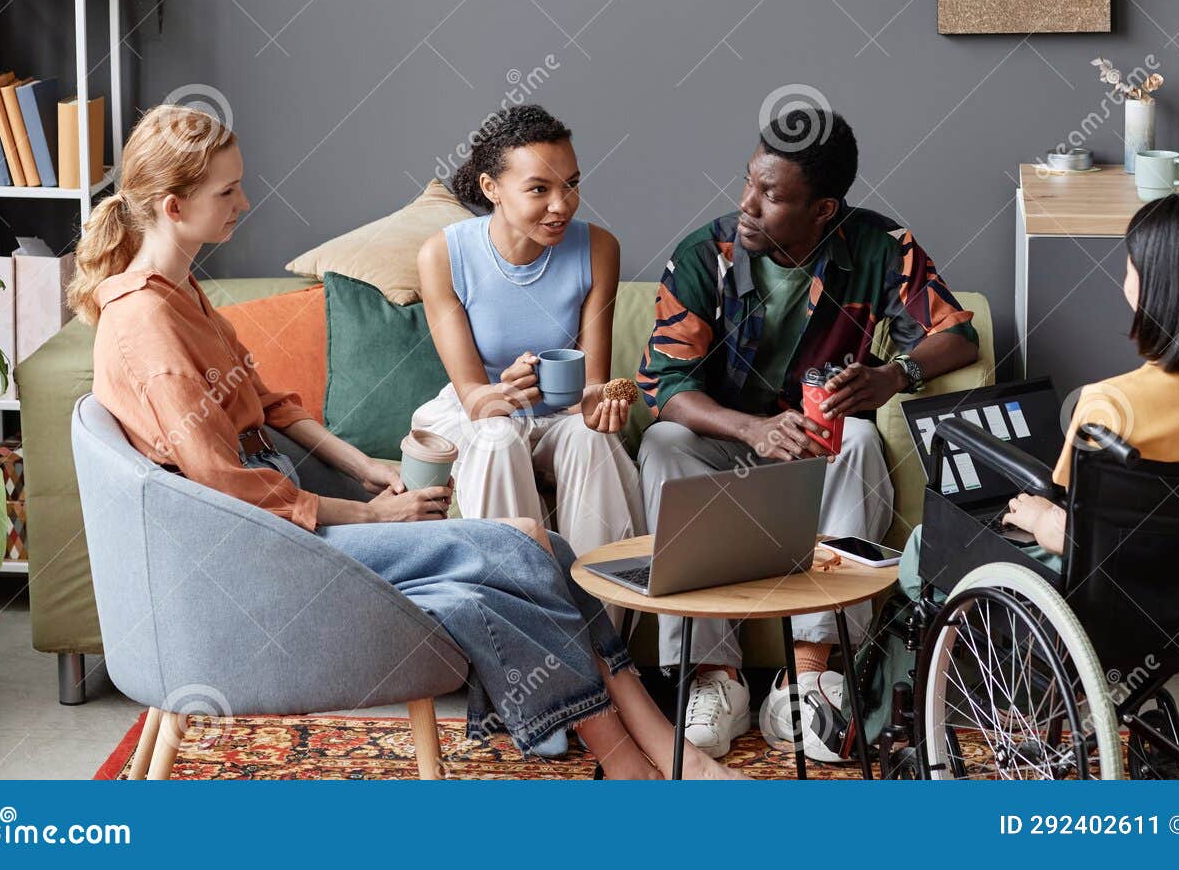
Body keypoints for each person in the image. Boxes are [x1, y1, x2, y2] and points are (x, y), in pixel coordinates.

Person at [71, 105, 738, 780]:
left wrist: (364, 466)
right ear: (175, 206)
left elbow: (266, 402)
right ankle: (646, 756)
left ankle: (643, 754)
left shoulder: (178, 292)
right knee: (524, 546)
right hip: (255, 553)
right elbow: (226, 486)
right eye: (228, 191)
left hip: (272, 523)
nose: (246, 201)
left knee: (529, 553)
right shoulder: (148, 322)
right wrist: (370, 514)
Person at [636, 108, 980, 760]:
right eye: (748, 183)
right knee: (661, 444)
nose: (747, 205)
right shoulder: (706, 256)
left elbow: (957, 335)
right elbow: (665, 387)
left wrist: (892, 375)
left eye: (771, 195)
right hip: (725, 440)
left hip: (816, 448)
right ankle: (715, 678)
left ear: (824, 209)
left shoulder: (878, 247)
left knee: (859, 439)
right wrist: (754, 430)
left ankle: (810, 673)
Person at [899, 192, 1179, 594]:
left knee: (923, 543)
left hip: (1127, 591)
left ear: (1148, 288)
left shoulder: (1108, 406)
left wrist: (1039, 519)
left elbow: (1077, 532)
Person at [415, 105, 643, 557]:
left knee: (591, 441)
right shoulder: (442, 255)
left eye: (571, 185)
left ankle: (601, 614)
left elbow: (591, 384)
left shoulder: (598, 248)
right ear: (491, 187)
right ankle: (528, 606)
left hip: (561, 414)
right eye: (539, 189)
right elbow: (474, 398)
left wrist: (603, 403)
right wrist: (506, 393)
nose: (562, 205)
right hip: (478, 415)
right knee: (498, 437)